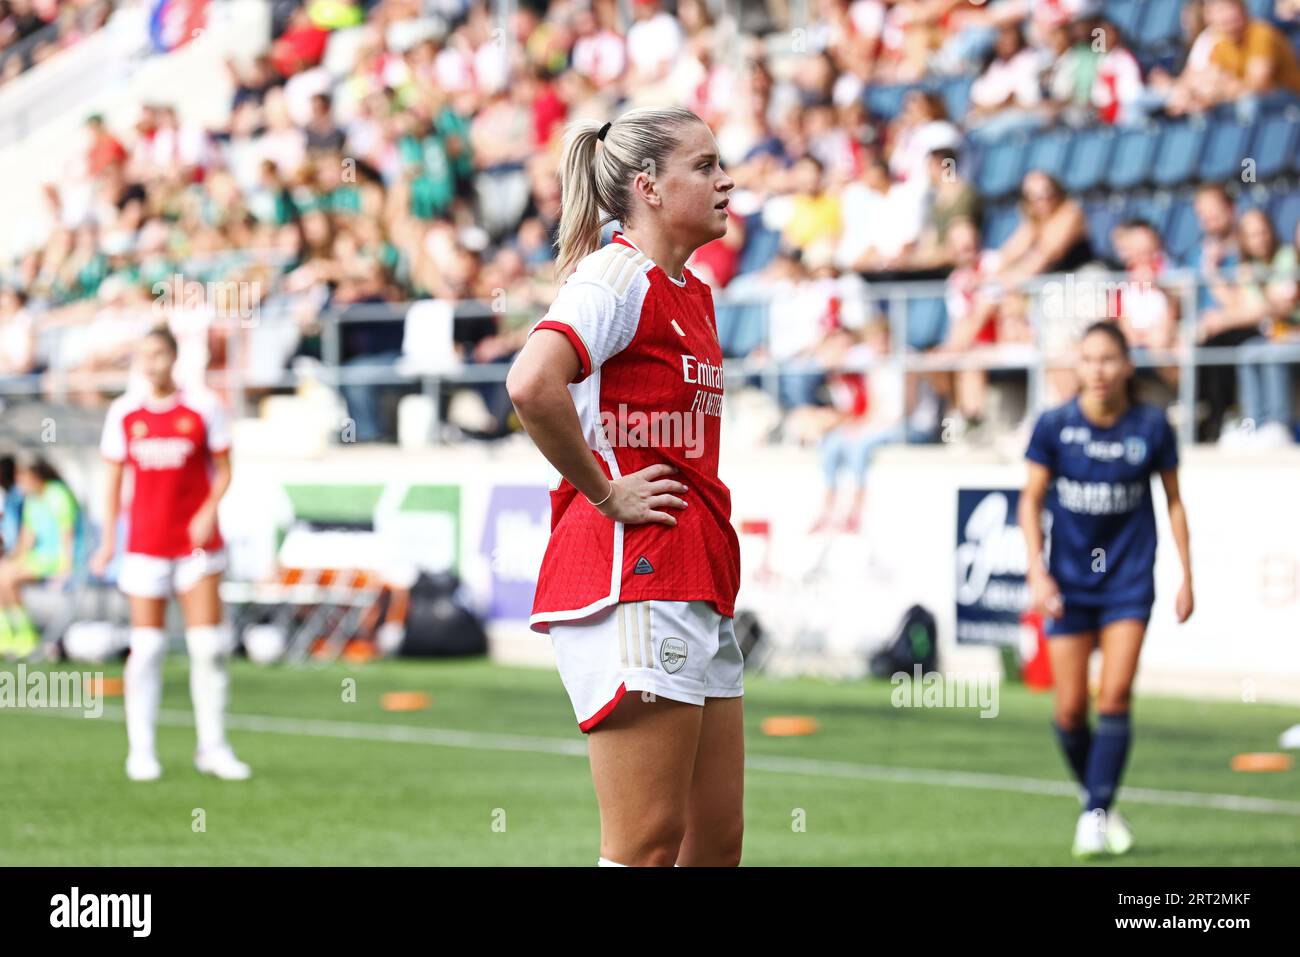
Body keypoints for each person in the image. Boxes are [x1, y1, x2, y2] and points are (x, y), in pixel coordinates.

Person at [506, 108, 743, 867]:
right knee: (644, 846)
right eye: (704, 165)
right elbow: (531, 382)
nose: (725, 179)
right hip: (631, 576)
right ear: (647, 186)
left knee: (714, 847)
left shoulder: (692, 291)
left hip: (694, 573)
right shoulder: (614, 275)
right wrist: (606, 492)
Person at [1019, 321, 1194, 859]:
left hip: (1128, 581)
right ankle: (1100, 799)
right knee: (1070, 711)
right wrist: (1036, 567)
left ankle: (1093, 815)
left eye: (1108, 359)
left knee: (1114, 695)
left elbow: (1173, 501)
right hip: (1069, 583)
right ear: (1078, 366)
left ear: (1127, 365)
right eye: (1088, 359)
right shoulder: (1054, 426)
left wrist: (1188, 574)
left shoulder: (1151, 425)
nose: (1098, 370)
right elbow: (1030, 499)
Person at [90, 326, 251, 783]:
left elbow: (224, 470)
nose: (151, 362)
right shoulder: (124, 413)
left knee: (208, 646)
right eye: (143, 355)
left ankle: (213, 747)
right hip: (145, 543)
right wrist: (108, 541)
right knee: (148, 647)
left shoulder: (203, 407)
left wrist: (209, 510)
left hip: (196, 545)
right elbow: (114, 482)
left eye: (158, 353)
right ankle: (141, 749)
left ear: (174, 357)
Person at [0, 451, 80, 659]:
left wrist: (66, 567)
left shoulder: (57, 494)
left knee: (9, 579)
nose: (19, 483)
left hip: (58, 559)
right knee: (2, 574)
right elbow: (27, 539)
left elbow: (67, 534)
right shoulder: (31, 500)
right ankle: (8, 636)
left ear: (36, 477)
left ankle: (26, 636)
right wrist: (10, 559)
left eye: (23, 478)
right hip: (39, 558)